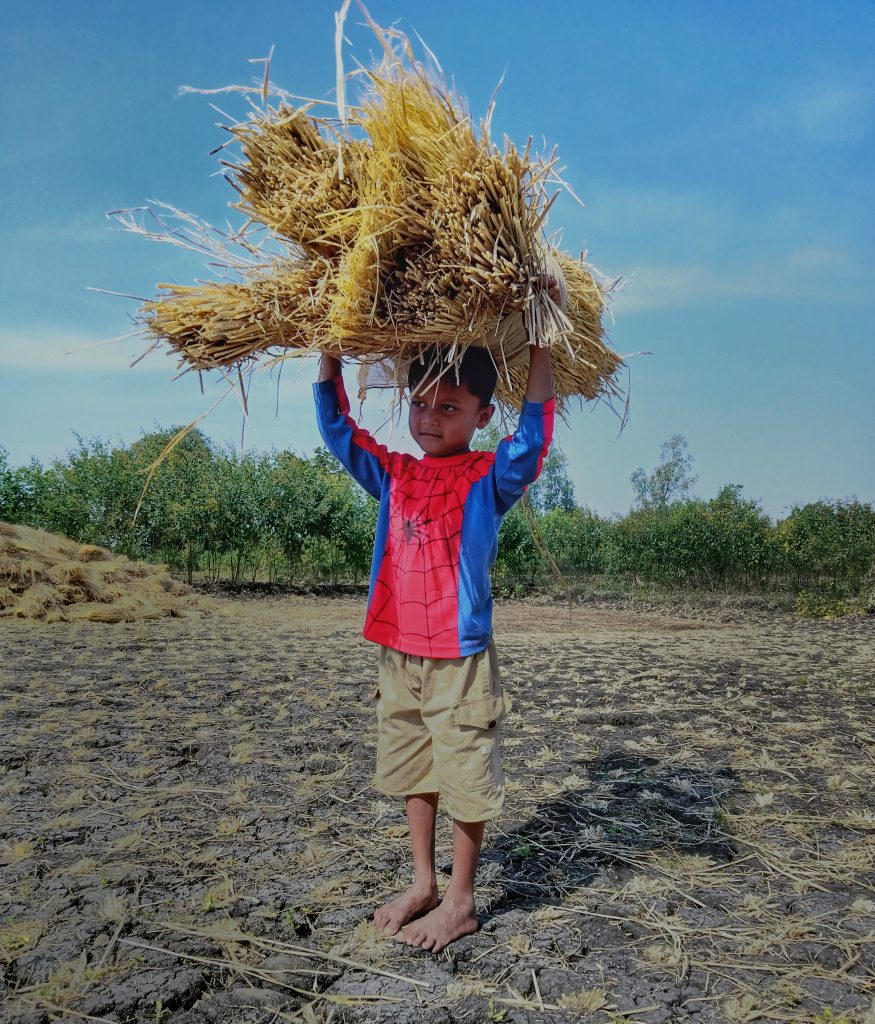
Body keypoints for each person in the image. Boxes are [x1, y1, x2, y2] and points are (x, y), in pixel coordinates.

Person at [312, 275, 562, 952]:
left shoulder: (490, 476)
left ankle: (459, 900)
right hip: (397, 647)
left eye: (449, 406)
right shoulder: (392, 474)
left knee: (464, 774)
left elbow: (535, 434)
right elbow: (336, 427)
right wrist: (330, 347)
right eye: (420, 404)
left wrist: (539, 336)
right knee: (413, 766)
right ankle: (421, 882)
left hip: (457, 653)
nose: (429, 418)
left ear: (482, 414)